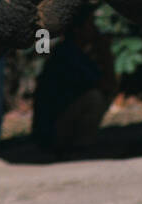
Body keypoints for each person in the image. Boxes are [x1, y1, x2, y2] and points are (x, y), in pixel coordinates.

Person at [32, 13, 117, 155]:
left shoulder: (74, 52)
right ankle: (79, 145)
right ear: (78, 30)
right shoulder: (68, 55)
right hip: (52, 132)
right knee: (94, 97)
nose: (95, 29)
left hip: (54, 126)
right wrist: (105, 52)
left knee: (97, 95)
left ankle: (78, 142)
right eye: (90, 25)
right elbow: (106, 84)